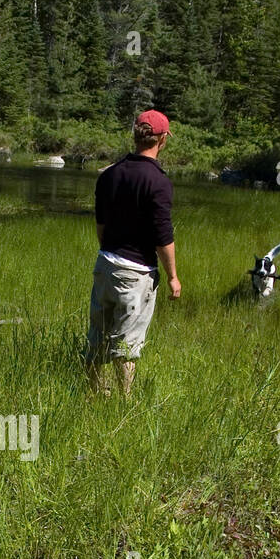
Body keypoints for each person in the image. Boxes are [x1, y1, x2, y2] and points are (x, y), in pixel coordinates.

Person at [86, 110, 181, 396]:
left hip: (105, 265)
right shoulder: (159, 182)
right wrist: (173, 277)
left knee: (97, 339)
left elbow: (101, 226)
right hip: (136, 273)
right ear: (162, 139)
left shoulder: (110, 174)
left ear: (136, 135)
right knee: (126, 345)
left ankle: (95, 395)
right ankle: (124, 405)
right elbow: (163, 237)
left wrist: (109, 251)